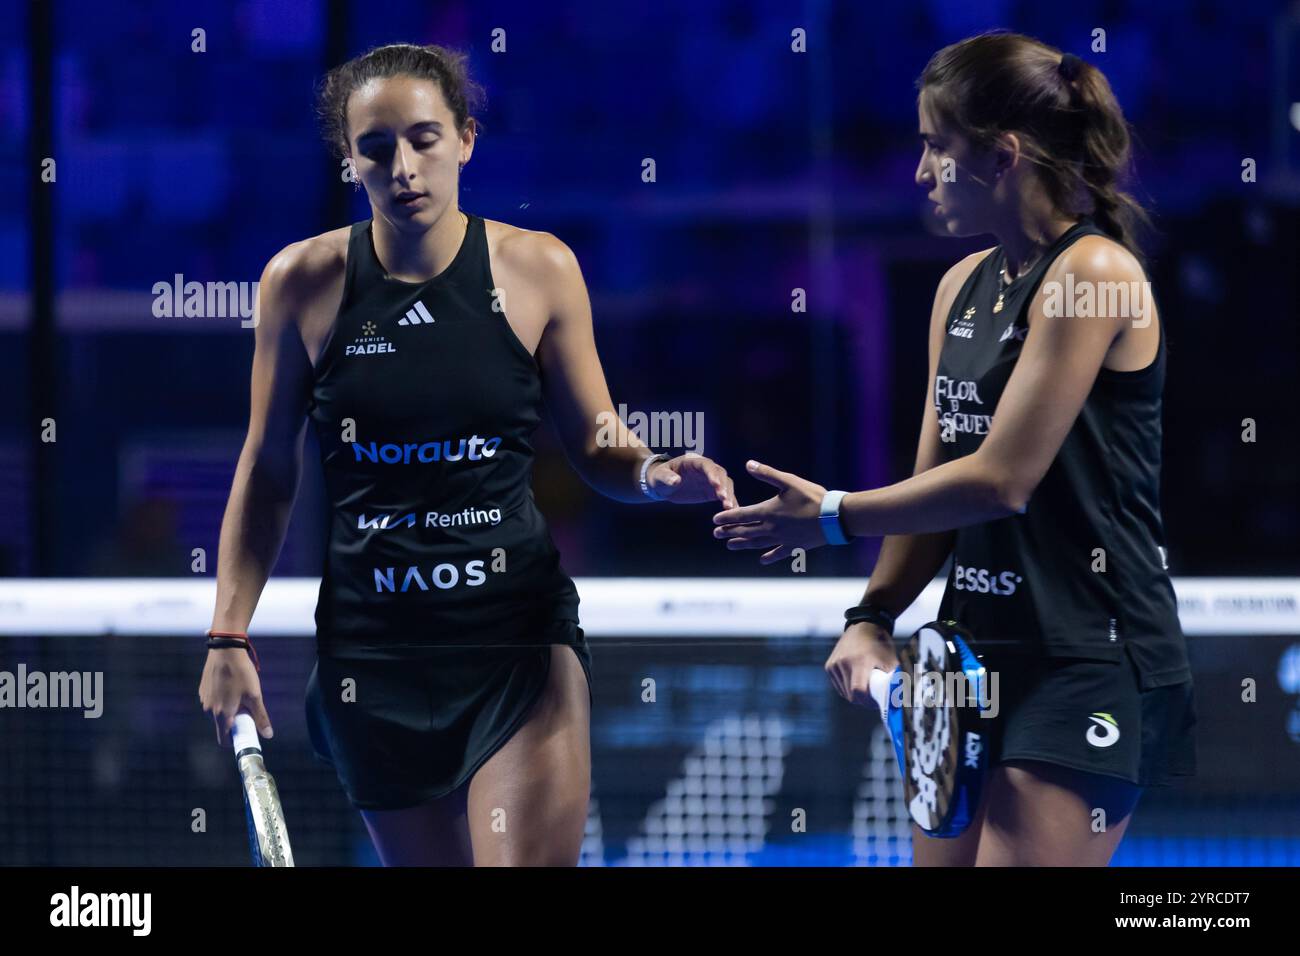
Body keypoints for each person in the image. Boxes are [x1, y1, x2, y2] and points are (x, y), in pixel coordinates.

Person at [198, 42, 735, 867]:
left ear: (467, 139)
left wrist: (657, 475)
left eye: (424, 138)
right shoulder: (298, 284)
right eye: (376, 148)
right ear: (350, 161)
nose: (403, 166)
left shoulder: (540, 268)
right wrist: (227, 637)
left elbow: (597, 443)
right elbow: (269, 470)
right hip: (370, 660)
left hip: (517, 648)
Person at [712, 32, 1195, 866]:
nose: (919, 170)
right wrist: (872, 616)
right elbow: (937, 480)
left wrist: (830, 516)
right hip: (966, 652)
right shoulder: (960, 287)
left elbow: (1001, 481)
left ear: (1002, 156)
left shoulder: (1096, 274)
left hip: (1086, 653)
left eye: (936, 146)